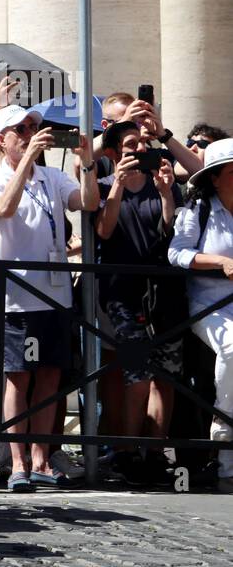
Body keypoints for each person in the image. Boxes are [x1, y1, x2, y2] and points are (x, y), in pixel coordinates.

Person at [0, 106, 99, 491]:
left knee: (50, 377)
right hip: (18, 296)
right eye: (20, 130)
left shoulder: (53, 176)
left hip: (55, 293)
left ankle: (43, 459)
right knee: (19, 379)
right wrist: (26, 161)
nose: (30, 133)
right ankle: (17, 462)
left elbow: (88, 203)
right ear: (1, 140)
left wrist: (89, 163)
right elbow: (1, 210)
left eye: (33, 127)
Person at [94, 120, 183, 487]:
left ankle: (154, 450)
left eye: (143, 143)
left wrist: (165, 195)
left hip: (162, 288)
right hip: (122, 291)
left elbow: (170, 230)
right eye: (130, 144)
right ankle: (127, 450)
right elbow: (103, 231)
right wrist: (116, 184)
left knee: (166, 374)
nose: (139, 150)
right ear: (114, 151)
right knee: (136, 371)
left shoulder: (161, 183)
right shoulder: (101, 187)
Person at [168, 137, 233, 494]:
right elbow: (177, 254)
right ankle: (223, 433)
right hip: (208, 305)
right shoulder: (198, 210)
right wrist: (219, 262)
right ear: (216, 178)